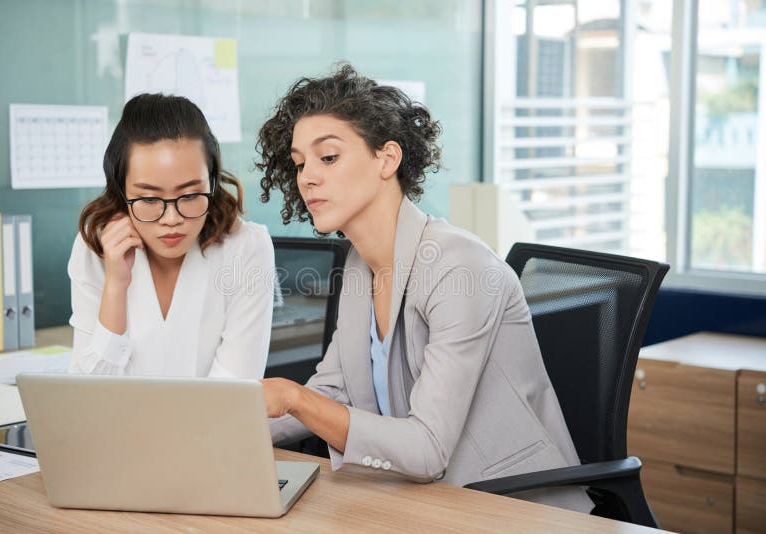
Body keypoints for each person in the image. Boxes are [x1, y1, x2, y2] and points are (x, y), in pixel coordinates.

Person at [255, 65, 593, 512]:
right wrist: (225, 429)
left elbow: (427, 447)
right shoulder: (360, 265)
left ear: (387, 159)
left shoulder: (459, 266)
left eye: (329, 157)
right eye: (300, 164)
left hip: (515, 507)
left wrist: (293, 398)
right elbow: (332, 392)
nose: (308, 178)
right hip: (425, 500)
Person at [68, 93, 274, 377]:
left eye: (190, 195)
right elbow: (89, 395)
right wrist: (116, 285)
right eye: (150, 199)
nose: (172, 220)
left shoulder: (246, 247)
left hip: (213, 422)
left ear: (211, 183)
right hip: (118, 423)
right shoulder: (94, 247)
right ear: (121, 191)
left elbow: (233, 395)